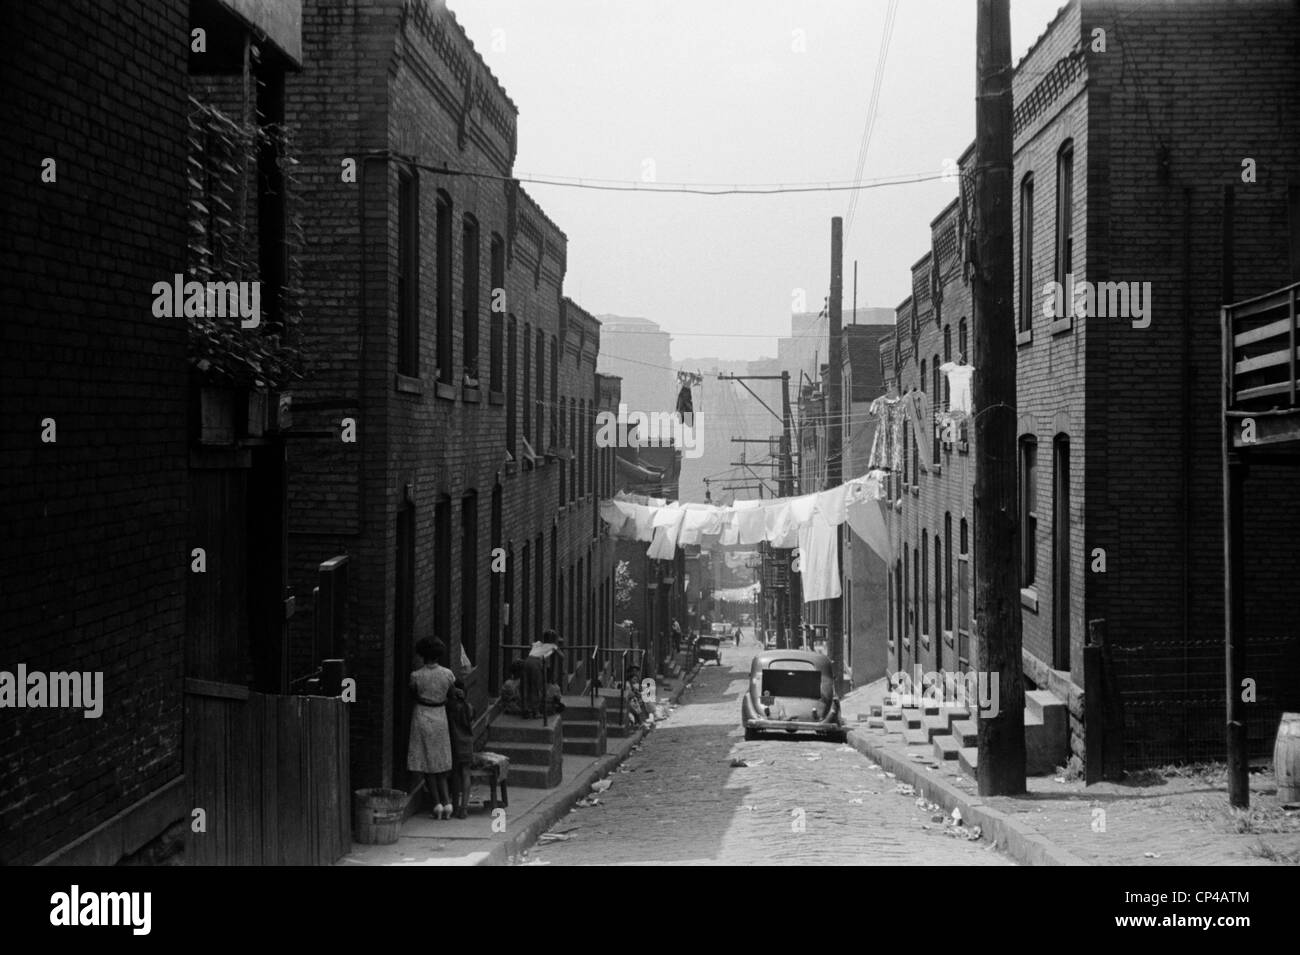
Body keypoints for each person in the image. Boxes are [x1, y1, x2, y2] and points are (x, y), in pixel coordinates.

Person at [408, 638, 455, 820]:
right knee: (441, 762)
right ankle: (447, 803)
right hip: (440, 715)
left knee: (427, 762)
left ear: (422, 655)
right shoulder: (448, 674)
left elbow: (413, 694)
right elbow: (451, 696)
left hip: (422, 715)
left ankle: (436, 804)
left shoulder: (416, 676)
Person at [447, 678, 475, 819]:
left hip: (455, 742)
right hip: (467, 742)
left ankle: (455, 806)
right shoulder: (468, 707)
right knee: (466, 773)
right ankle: (464, 808)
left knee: (456, 775)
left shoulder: (450, 707)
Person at [522, 629, 564, 718]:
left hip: (527, 661)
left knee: (526, 686)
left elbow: (531, 644)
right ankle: (536, 711)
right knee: (536, 687)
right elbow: (562, 656)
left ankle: (526, 709)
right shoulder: (553, 645)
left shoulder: (538, 643)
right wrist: (557, 647)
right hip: (536, 663)